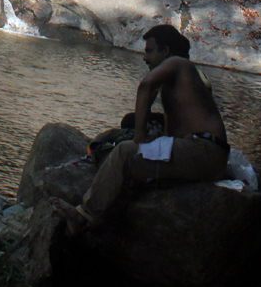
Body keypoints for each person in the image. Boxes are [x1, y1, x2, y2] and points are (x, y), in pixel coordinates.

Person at [52, 24, 229, 235]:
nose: (145, 58)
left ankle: (83, 216)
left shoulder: (178, 63)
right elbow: (169, 129)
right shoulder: (178, 79)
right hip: (203, 154)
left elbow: (145, 86)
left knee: (125, 153)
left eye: (149, 51)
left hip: (204, 151)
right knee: (132, 155)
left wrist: (139, 136)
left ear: (165, 51)